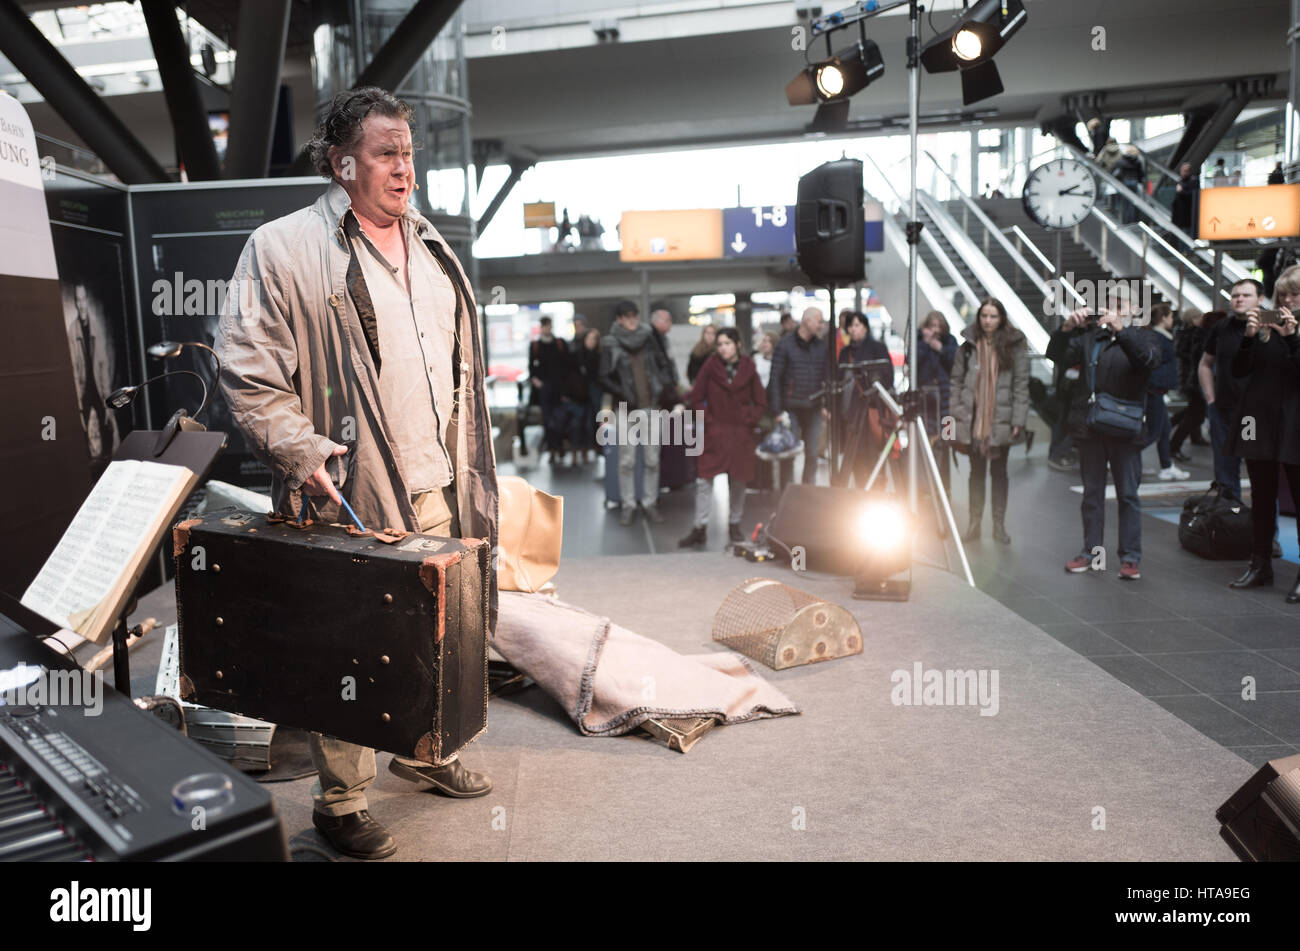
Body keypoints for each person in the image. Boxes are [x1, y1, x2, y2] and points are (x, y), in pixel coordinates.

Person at [214, 87, 497, 860]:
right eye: (385, 153)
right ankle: (339, 805)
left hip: (435, 480)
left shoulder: (432, 246)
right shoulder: (281, 248)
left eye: (409, 152)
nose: (404, 168)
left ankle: (425, 748)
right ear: (343, 164)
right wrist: (300, 450)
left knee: (438, 635)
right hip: (348, 487)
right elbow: (244, 367)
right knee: (352, 646)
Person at [1047, 287, 1160, 580]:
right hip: (1091, 426)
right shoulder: (1090, 338)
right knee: (1092, 494)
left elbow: (1147, 362)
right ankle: (1092, 554)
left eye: (1120, 304)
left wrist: (1122, 331)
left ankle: (1130, 558)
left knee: (1128, 495)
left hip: (1127, 428)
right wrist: (1067, 328)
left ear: (1134, 310)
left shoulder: (1144, 337)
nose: (1113, 308)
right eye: (1109, 303)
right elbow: (1057, 356)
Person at [1225, 265, 1300, 598]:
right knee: (1261, 495)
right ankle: (1260, 564)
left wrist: (1294, 338)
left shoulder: (1292, 331)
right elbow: (1239, 370)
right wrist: (1250, 337)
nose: (1287, 301)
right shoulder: (1264, 329)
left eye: (1295, 294)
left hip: (1295, 422)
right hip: (1258, 420)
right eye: (1283, 294)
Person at [949, 298, 1029, 544]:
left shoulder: (1014, 346)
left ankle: (998, 525)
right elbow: (956, 382)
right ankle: (974, 524)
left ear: (1001, 318)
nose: (988, 321)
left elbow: (1020, 383)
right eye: (984, 316)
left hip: (1001, 418)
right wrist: (954, 415)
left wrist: (1018, 418)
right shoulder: (968, 346)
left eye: (993, 316)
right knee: (975, 473)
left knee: (999, 472)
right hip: (973, 420)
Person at [678, 328, 766, 549]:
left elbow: (761, 401)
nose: (723, 348)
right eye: (719, 344)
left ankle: (734, 523)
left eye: (727, 343)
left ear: (737, 344)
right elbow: (696, 398)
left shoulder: (748, 367)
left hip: (740, 434)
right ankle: (699, 528)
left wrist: (749, 419)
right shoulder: (710, 366)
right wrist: (709, 421)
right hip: (715, 433)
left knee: (739, 481)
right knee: (704, 480)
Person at [600, 300, 676, 525]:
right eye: (627, 316)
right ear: (619, 320)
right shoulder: (610, 342)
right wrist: (621, 392)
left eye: (634, 315)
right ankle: (628, 504)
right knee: (627, 460)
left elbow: (664, 364)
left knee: (653, 459)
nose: (632, 320)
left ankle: (650, 503)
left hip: (652, 406)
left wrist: (663, 387)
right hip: (625, 408)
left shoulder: (649, 337)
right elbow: (603, 376)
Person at [1200, 279, 1263, 502]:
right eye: (1235, 295)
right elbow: (1205, 364)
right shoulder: (1221, 328)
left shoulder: (1270, 327)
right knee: (1226, 473)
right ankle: (1229, 524)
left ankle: (1265, 532)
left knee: (1259, 475)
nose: (1239, 299)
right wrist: (1210, 399)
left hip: (1252, 416)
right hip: (1224, 411)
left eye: (1246, 295)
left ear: (1260, 300)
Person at [768, 307, 830, 485]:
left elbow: (826, 377)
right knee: (788, 455)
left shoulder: (821, 347)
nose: (821, 325)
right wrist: (777, 411)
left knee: (812, 455)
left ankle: (807, 496)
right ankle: (787, 497)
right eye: (819, 321)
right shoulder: (785, 345)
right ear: (807, 321)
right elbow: (775, 378)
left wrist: (826, 405)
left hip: (815, 408)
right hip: (790, 409)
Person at [837, 311, 892, 487]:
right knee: (854, 456)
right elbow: (839, 379)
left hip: (871, 411)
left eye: (857, 325)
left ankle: (876, 491)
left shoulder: (877, 348)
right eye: (850, 326)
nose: (853, 330)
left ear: (865, 327)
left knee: (874, 452)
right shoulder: (845, 352)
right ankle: (862, 490)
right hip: (850, 413)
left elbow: (887, 378)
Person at [1143, 303, 1189, 480]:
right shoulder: (1157, 338)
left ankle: (1167, 466)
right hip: (1155, 389)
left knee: (1164, 429)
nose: (1172, 320)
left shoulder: (1159, 336)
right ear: (1163, 318)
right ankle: (1123, 457)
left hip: (1158, 389)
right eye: (1170, 316)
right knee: (1154, 431)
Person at [917, 311, 958, 491]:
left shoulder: (950, 342)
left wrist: (940, 348)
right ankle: (926, 489)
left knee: (946, 444)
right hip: (925, 405)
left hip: (947, 404)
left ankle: (945, 488)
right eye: (932, 326)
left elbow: (957, 364)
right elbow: (913, 362)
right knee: (924, 445)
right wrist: (926, 345)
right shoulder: (919, 342)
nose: (935, 330)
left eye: (938, 326)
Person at [1170, 307, 1210, 461]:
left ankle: (1193, 436)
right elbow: (1196, 358)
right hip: (1193, 379)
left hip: (1188, 378)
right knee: (1195, 414)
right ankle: (1173, 446)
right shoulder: (1195, 335)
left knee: (1194, 410)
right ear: (1194, 319)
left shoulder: (1183, 333)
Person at [578, 327, 603, 458]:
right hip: (581, 394)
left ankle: (598, 448)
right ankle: (586, 448)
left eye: (594, 339)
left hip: (596, 391)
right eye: (589, 338)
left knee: (597, 420)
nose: (591, 342)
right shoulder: (578, 355)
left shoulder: (599, 356)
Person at [1114, 146, 1145, 224]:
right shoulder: (1137, 161)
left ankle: (1125, 221)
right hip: (1134, 182)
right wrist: (1140, 181)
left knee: (1125, 203)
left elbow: (1116, 173)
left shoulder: (1121, 161)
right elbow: (1141, 174)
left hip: (1124, 182)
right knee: (1132, 203)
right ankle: (1132, 221)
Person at [649, 306, 679, 387]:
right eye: (667, 320)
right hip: (660, 386)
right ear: (657, 322)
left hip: (666, 385)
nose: (670, 323)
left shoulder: (663, 339)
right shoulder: (650, 339)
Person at [1171, 163, 1199, 234]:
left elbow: (1192, 196)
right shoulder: (1180, 182)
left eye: (1186, 171)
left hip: (1188, 217)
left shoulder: (1193, 182)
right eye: (1183, 171)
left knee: (1186, 236)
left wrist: (1181, 191)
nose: (1184, 173)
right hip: (1179, 217)